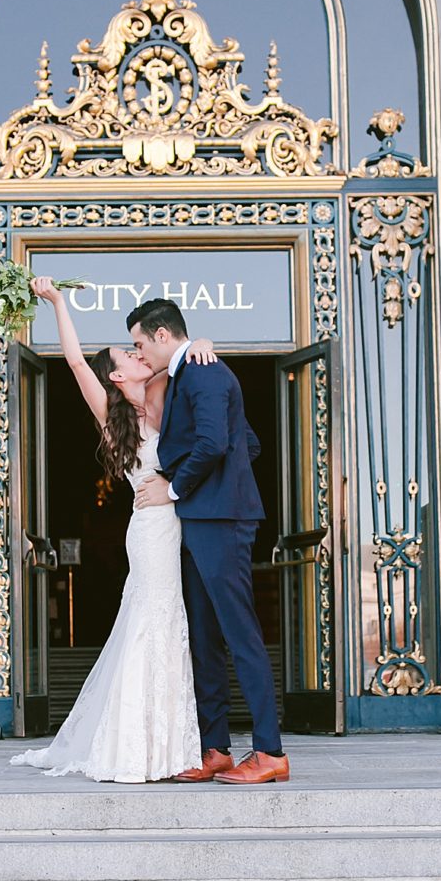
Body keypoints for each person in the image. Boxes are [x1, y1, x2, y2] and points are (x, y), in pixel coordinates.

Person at [9, 278, 214, 784]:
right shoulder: (114, 415)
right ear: (117, 375)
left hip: (173, 524)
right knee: (152, 623)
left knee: (166, 627)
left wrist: (206, 344)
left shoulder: (167, 391)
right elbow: (78, 363)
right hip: (149, 530)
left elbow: (191, 363)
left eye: (135, 344)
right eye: (127, 353)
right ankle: (135, 747)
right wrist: (57, 302)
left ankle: (164, 745)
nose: (136, 352)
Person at [128, 297, 288, 785]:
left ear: (161, 334)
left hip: (222, 521)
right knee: (204, 637)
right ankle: (215, 748)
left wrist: (173, 488)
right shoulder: (188, 375)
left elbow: (216, 443)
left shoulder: (203, 372)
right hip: (203, 519)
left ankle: (269, 753)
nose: (138, 354)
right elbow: (244, 443)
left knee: (240, 635)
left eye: (139, 343)